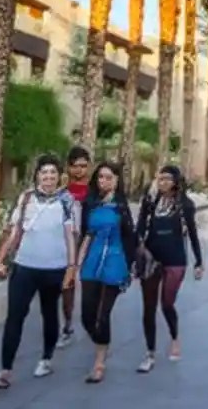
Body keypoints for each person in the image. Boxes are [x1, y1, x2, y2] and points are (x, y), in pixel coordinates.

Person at [0, 155, 78, 389]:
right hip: (24, 267)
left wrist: (71, 268)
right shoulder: (26, 199)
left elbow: (70, 237)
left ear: (59, 177)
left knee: (49, 314)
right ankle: (5, 371)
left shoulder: (67, 201)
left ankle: (46, 359)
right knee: (15, 316)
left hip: (54, 269)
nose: (48, 177)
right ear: (37, 175)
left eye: (52, 173)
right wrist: (0, 259)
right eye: (44, 173)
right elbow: (15, 232)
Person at [134, 165, 204, 373]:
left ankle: (174, 337)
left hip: (175, 259)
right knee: (148, 307)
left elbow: (192, 233)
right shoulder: (150, 202)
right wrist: (137, 252)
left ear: (175, 181)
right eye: (160, 178)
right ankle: (149, 352)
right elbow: (139, 228)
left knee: (166, 303)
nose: (162, 182)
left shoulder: (185, 205)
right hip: (151, 259)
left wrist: (199, 261)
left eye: (167, 178)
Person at [77, 161, 138, 384]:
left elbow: (130, 237)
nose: (103, 181)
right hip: (92, 261)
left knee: (103, 315)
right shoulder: (90, 204)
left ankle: (99, 362)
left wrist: (130, 266)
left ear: (116, 180)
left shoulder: (121, 207)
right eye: (100, 177)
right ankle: (101, 341)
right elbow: (85, 235)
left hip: (114, 260)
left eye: (108, 177)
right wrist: (76, 265)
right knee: (86, 316)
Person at [58, 145, 91, 349]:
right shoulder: (61, 193)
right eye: (75, 166)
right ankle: (68, 324)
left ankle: (92, 321)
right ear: (69, 168)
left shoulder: (94, 193)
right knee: (67, 285)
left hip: (88, 242)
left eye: (83, 166)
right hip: (65, 243)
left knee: (90, 285)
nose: (80, 170)